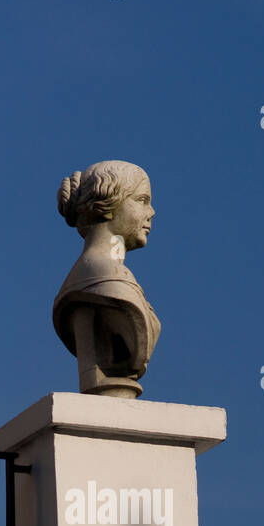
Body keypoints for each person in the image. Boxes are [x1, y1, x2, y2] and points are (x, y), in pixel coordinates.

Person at [53, 161, 161, 397]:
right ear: (107, 204)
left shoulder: (107, 276)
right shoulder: (100, 280)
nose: (151, 212)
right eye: (142, 200)